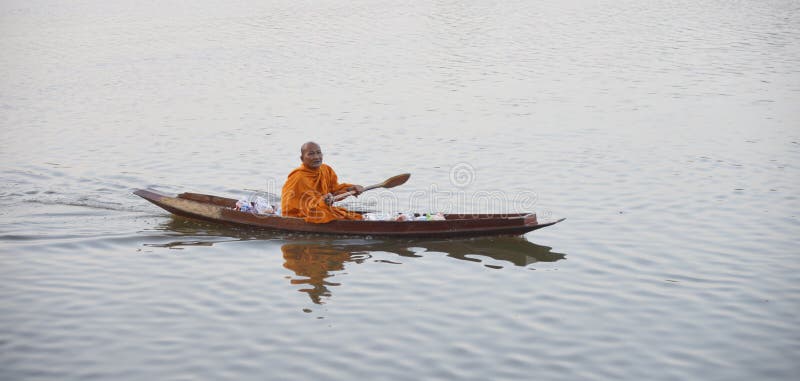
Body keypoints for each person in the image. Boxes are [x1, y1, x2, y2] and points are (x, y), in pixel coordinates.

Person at [281, 142, 365, 223]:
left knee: (345, 214)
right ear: (302, 158)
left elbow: (334, 191)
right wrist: (323, 201)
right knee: (327, 215)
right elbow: (292, 206)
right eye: (311, 154)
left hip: (320, 208)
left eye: (319, 153)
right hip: (301, 213)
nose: (316, 157)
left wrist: (350, 189)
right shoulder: (298, 177)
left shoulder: (326, 170)